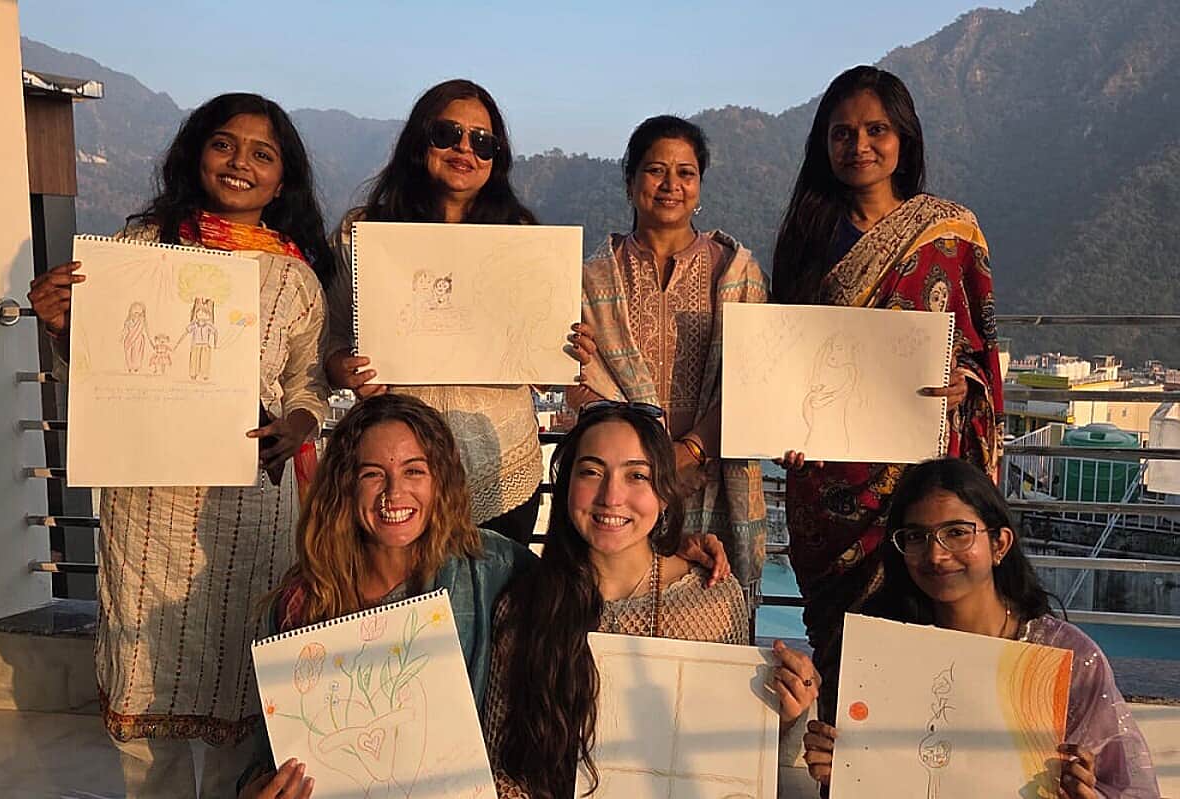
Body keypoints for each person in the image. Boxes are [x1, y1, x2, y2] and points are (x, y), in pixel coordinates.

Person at [27, 92, 333, 798]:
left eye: (263, 154)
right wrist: (61, 326)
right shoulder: (137, 253)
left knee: (239, 705)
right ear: (197, 152)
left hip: (251, 513)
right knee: (148, 704)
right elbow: (104, 363)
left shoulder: (295, 277)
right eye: (225, 144)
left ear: (281, 181)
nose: (240, 163)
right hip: (148, 508)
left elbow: (308, 384)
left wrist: (300, 424)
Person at [239, 395, 733, 797]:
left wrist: (668, 551)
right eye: (372, 473)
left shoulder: (493, 568)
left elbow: (593, 598)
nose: (394, 493)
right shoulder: (303, 602)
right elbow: (270, 750)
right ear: (345, 485)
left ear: (442, 482)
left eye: (415, 471)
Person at [770, 65, 1004, 722]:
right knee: (843, 669)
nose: (859, 145)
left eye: (876, 129)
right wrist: (783, 424)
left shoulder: (950, 231)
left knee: (931, 651)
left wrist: (968, 384)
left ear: (905, 136)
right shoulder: (807, 237)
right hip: (828, 490)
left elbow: (983, 353)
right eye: (842, 133)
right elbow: (788, 356)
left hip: (925, 481)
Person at [484, 403, 817, 799]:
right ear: (566, 485)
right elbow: (500, 763)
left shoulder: (711, 600)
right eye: (591, 472)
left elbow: (728, 748)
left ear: (664, 495)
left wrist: (783, 716)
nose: (612, 496)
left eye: (636, 476)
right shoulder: (524, 605)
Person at [802, 457, 1160, 798]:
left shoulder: (1065, 657)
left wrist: (1086, 793)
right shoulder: (879, 655)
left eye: (957, 532)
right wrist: (839, 774)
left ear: (999, 543)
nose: (936, 555)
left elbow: (1130, 787)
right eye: (916, 536)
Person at [324, 78, 550, 546]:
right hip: (393, 472)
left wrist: (560, 350)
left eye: (482, 141)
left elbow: (540, 358)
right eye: (447, 134)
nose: (464, 149)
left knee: (492, 610)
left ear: (496, 157)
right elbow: (329, 340)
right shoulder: (364, 232)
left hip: (501, 461)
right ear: (419, 140)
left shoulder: (523, 239)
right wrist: (345, 368)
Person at [566, 115, 769, 590]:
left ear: (700, 183)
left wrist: (690, 450)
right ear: (630, 179)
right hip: (621, 485)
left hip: (716, 478)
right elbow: (578, 385)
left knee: (711, 613)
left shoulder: (738, 274)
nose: (671, 185)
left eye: (686, 173)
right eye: (656, 170)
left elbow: (754, 381)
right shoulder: (591, 279)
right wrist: (649, 462)